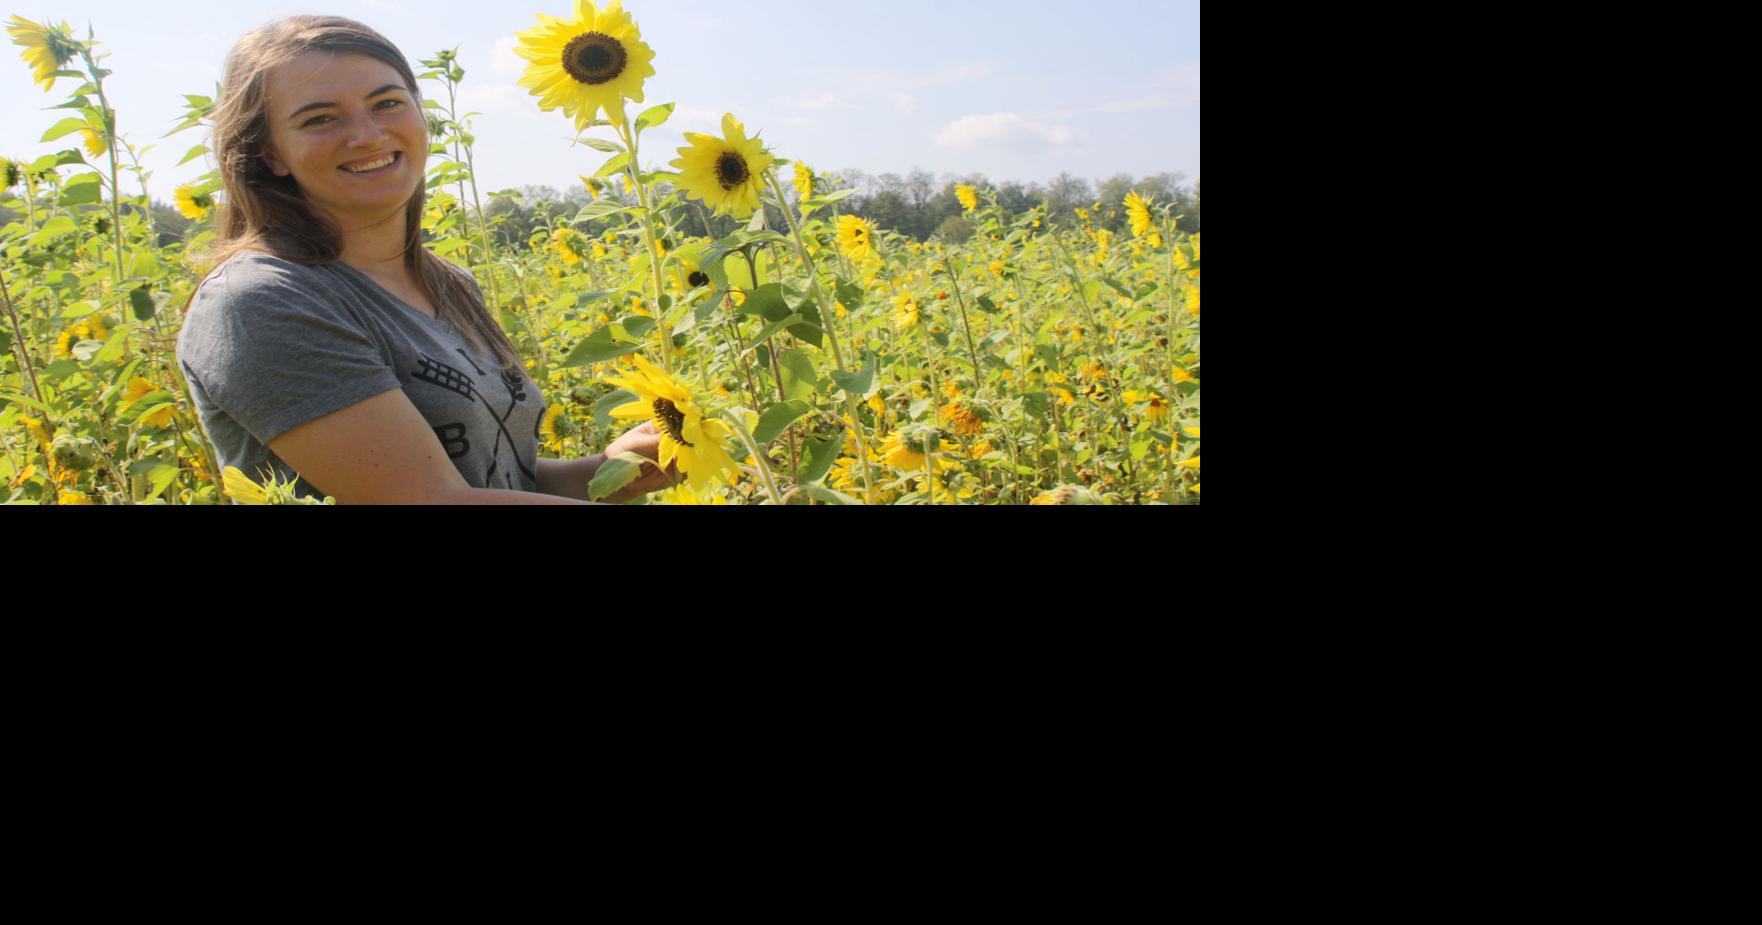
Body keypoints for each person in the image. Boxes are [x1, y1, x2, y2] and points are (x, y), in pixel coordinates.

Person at [175, 15, 676, 504]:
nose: (368, 135)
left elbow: (493, 476)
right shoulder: (261, 302)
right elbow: (428, 498)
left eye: (387, 103)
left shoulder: (447, 284)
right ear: (270, 154)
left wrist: (614, 473)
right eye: (320, 118)